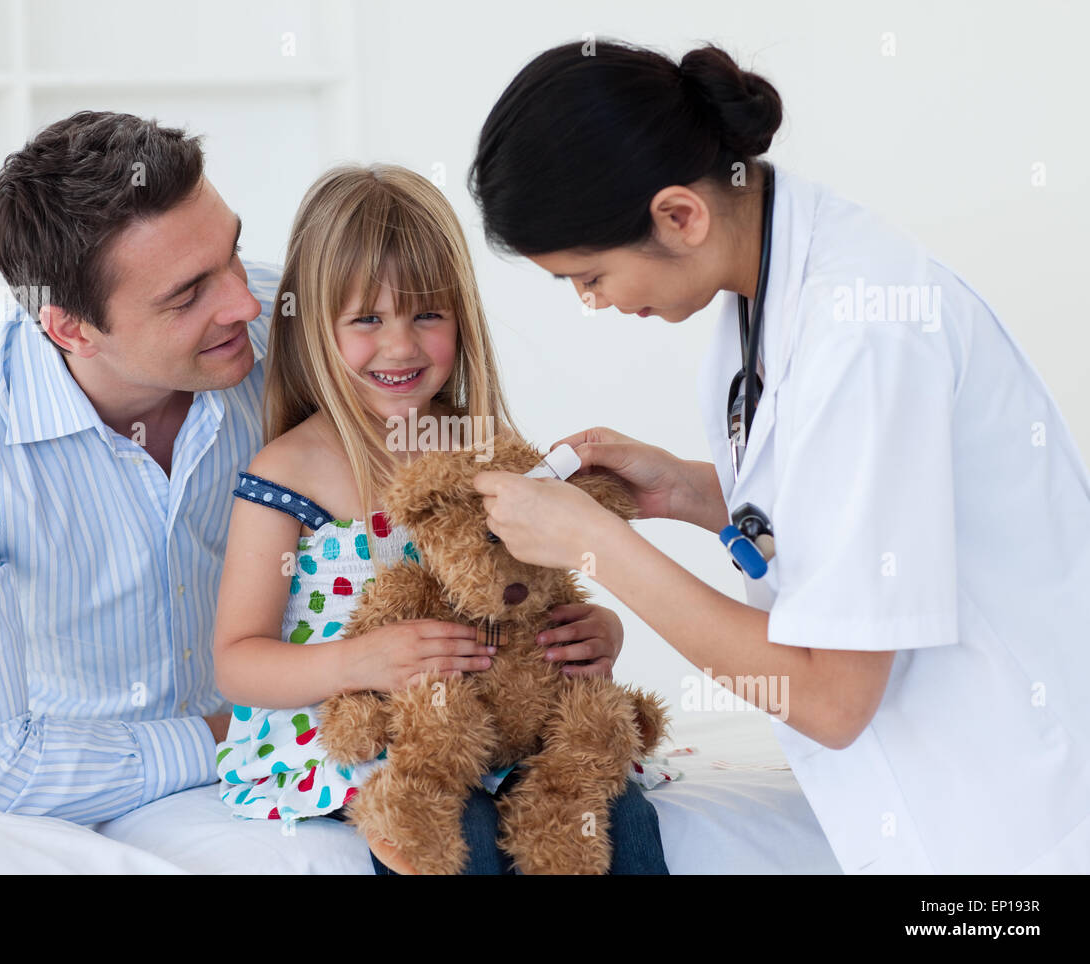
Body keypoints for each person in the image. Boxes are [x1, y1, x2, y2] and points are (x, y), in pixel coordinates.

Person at [464, 39, 1090, 873]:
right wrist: (693, 492)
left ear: (680, 215)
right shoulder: (765, 290)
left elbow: (828, 699)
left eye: (590, 275)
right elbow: (866, 519)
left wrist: (593, 544)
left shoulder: (862, 334)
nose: (593, 302)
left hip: (1009, 825)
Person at [211, 162, 669, 874]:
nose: (401, 346)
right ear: (314, 327)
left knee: (614, 811)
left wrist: (599, 631)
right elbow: (238, 663)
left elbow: (533, 593)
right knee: (458, 828)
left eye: (428, 314)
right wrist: (357, 661)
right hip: (367, 734)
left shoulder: (487, 452)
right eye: (366, 319)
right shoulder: (286, 472)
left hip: (493, 727)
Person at [0, 111, 278, 823]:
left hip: (299, 769)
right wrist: (245, 736)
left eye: (234, 253)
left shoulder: (292, 327)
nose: (243, 301)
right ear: (69, 328)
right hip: (78, 796)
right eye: (188, 296)